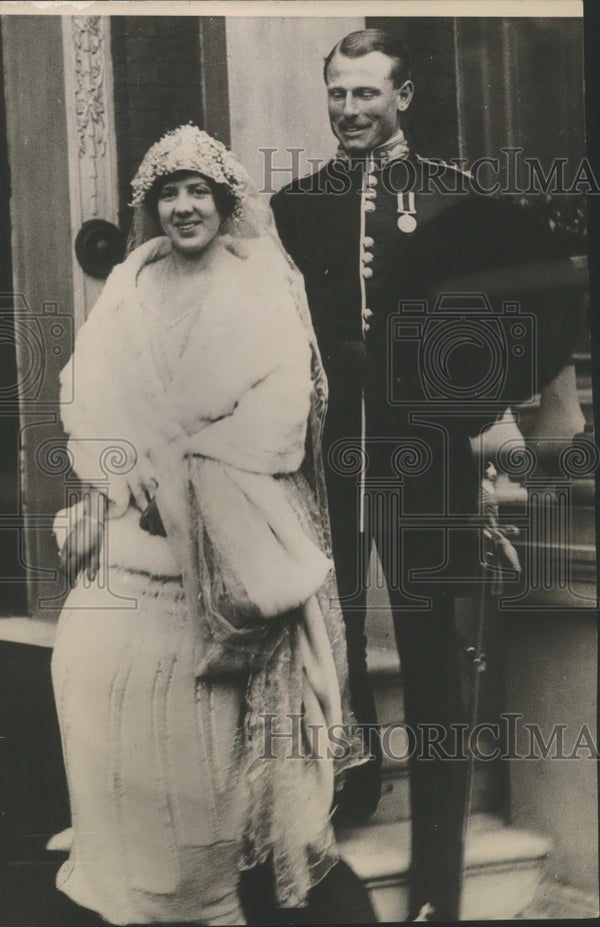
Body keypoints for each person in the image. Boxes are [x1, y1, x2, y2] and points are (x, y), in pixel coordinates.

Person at [271, 28, 582, 921]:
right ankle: (354, 779)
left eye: (367, 94)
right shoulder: (295, 207)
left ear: (403, 97)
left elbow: (524, 309)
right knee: (325, 636)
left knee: (433, 652)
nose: (350, 110)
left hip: (429, 458)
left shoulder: (455, 198)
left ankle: (438, 878)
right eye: (338, 94)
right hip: (323, 458)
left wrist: (489, 403)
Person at [51, 124, 373, 926]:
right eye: (169, 193)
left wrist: (184, 469)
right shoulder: (129, 283)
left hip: (230, 538)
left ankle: (204, 898)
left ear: (225, 202)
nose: (184, 206)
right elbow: (82, 399)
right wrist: (123, 477)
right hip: (135, 525)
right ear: (151, 206)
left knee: (198, 751)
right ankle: (122, 884)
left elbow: (281, 417)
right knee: (102, 692)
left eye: (199, 191)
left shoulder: (257, 284)